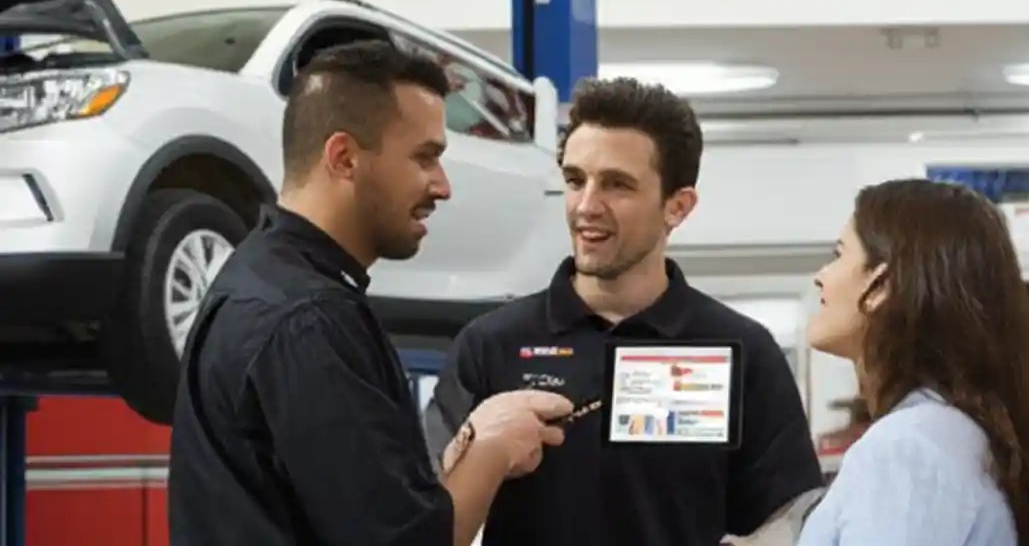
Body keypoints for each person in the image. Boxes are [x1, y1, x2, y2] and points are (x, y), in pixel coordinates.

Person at [167, 40, 573, 546]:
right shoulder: (309, 323)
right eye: (425, 158)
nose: (443, 186)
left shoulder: (253, 279)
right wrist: (492, 447)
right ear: (344, 158)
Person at [424, 77, 825, 545]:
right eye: (575, 180)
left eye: (617, 185)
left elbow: (786, 523)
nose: (586, 206)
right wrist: (484, 450)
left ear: (677, 207)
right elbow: (424, 518)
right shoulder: (491, 344)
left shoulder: (744, 352)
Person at [797, 179, 1029, 546]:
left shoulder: (905, 449)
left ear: (882, 284)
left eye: (839, 255)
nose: (821, 276)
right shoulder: (947, 432)